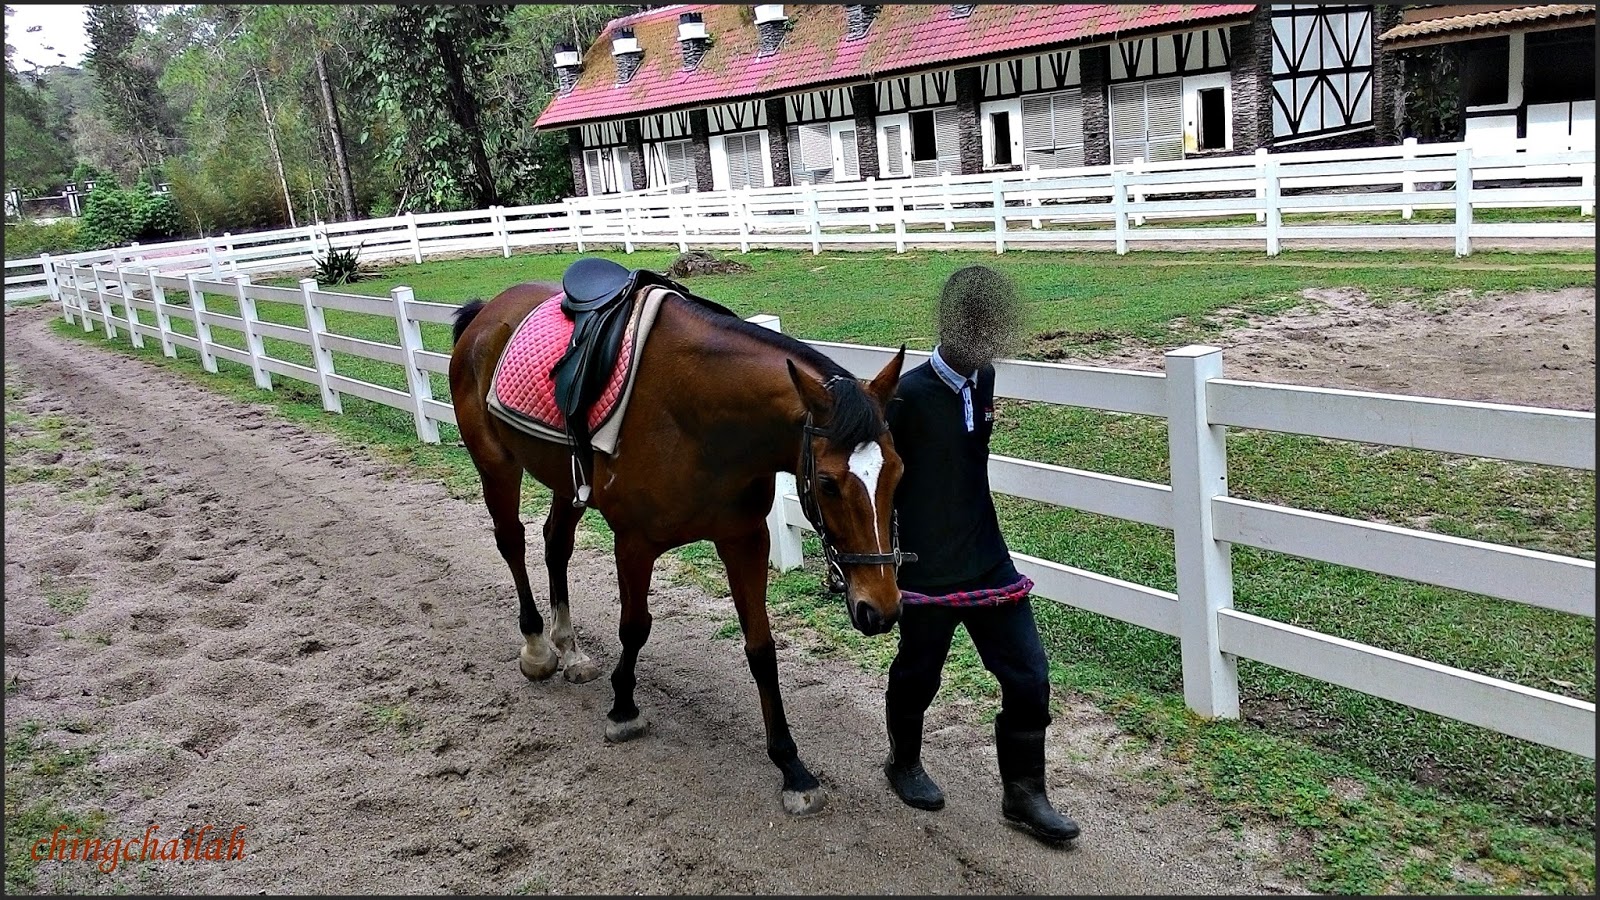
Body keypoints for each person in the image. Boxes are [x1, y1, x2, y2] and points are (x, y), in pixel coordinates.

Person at [881, 265, 1080, 845]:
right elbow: (877, 483)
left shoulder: (985, 379)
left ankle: (1024, 794)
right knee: (919, 673)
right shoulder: (907, 397)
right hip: (926, 566)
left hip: (988, 560)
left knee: (1029, 675)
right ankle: (903, 762)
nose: (987, 338)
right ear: (951, 326)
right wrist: (885, 565)